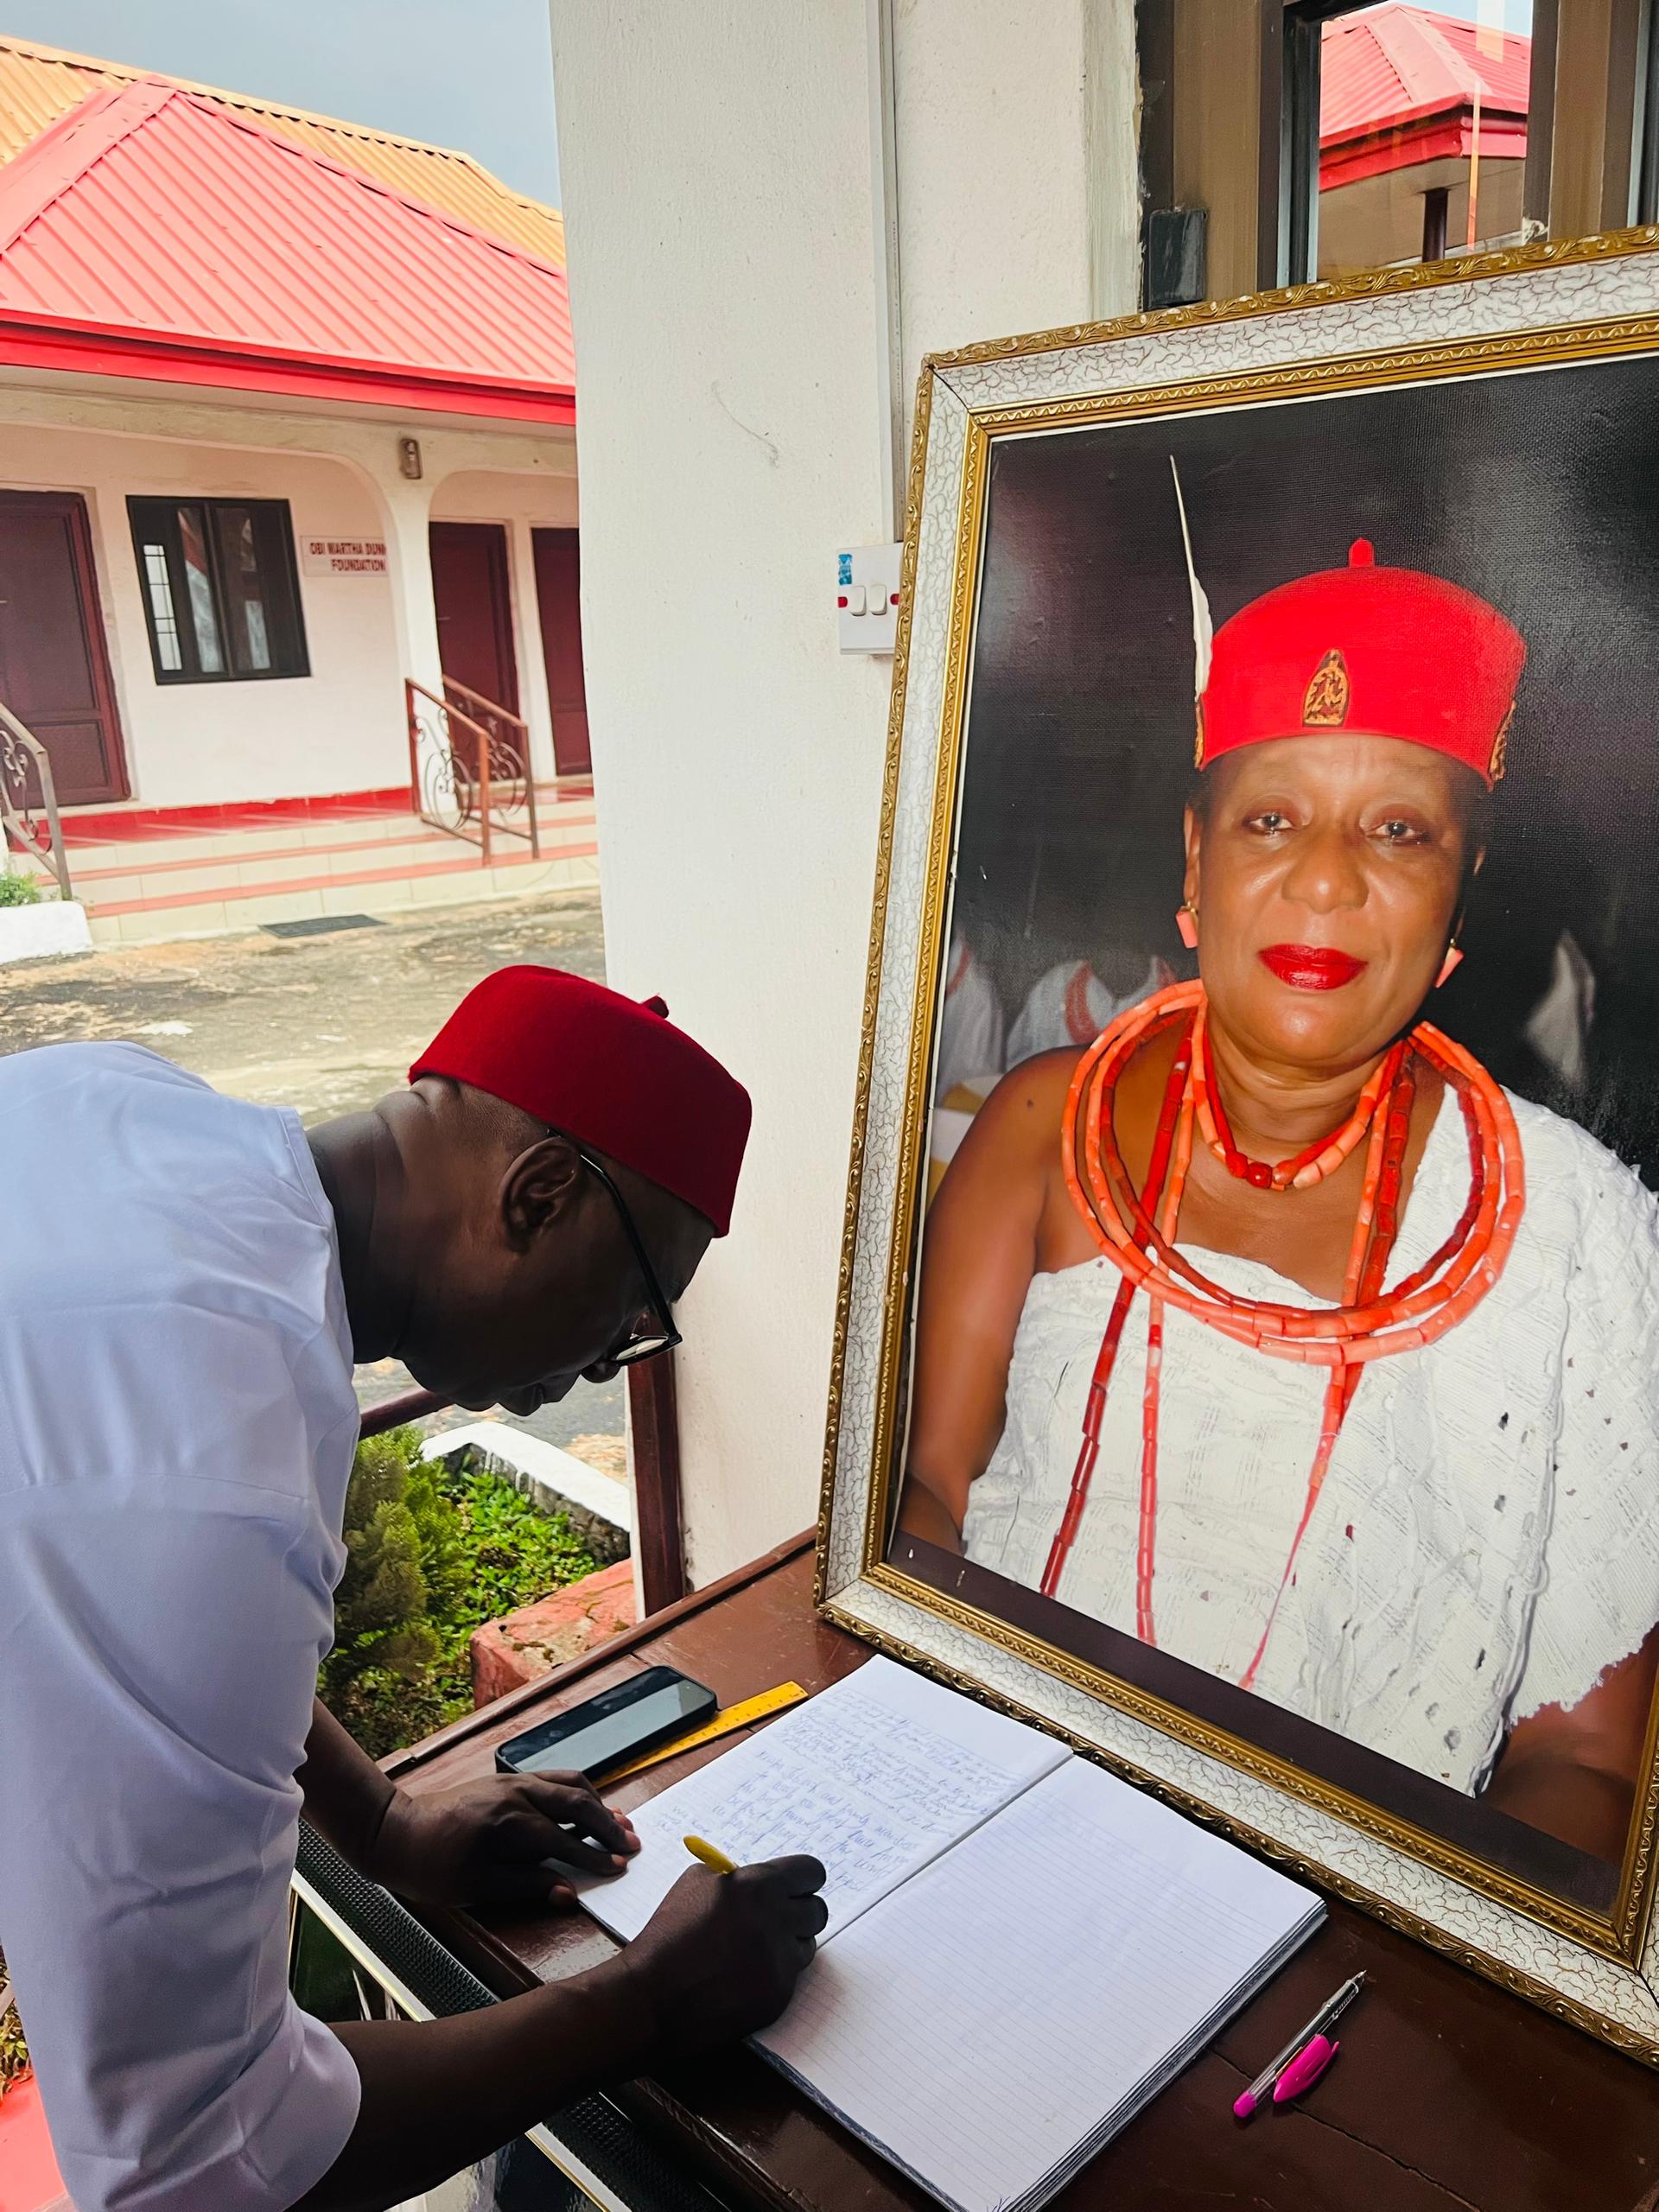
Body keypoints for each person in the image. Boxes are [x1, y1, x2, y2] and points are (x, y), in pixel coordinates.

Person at [0, 966, 828, 2212]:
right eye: (629, 1314)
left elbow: (120, 1637)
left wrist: (382, 1825)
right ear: (540, 1195)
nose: (599, 1368)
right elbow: (192, 2164)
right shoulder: (210, 1464)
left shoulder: (105, 1094)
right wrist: (644, 2002)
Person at [899, 541, 1659, 1861]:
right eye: (1271, 818)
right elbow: (928, 1512)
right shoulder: (1040, 1126)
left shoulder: (1586, 1237)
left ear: (1462, 897)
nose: (1325, 877)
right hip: (997, 1816)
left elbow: (1583, 1764)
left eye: (1400, 829)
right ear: (1193, 865)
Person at [1003, 946, 1173, 1067]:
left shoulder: (1175, 1007)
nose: (1116, 952)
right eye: (1109, 938)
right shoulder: (1056, 985)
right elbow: (1016, 1069)